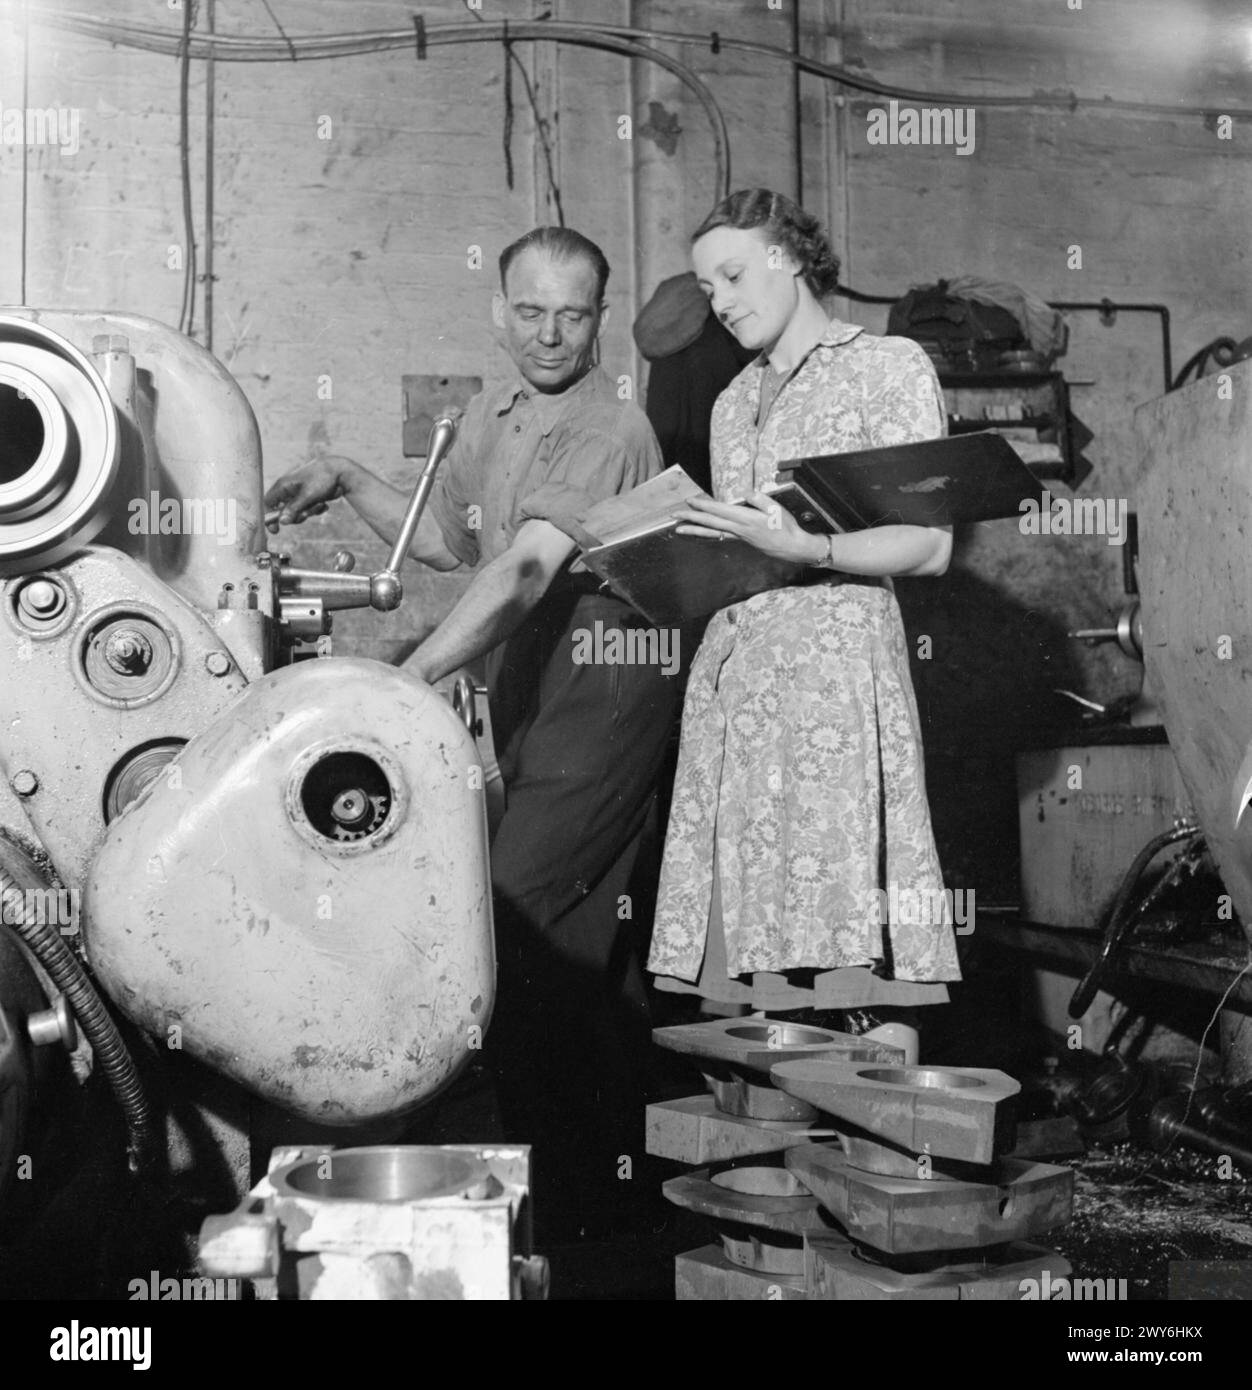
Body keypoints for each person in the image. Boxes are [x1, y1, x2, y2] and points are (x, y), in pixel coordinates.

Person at [264, 226, 678, 1238]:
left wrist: (409, 680)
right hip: (534, 680)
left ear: (600, 319)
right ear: (498, 311)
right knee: (571, 948)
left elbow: (526, 572)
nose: (549, 334)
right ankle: (602, 1193)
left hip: (606, 683)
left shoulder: (610, 426)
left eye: (572, 315)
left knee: (513, 918)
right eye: (529, 311)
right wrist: (348, 475)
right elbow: (453, 544)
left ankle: (585, 1206)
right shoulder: (493, 413)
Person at [647, 189, 962, 1020]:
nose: (721, 302)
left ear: (788, 256)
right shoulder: (729, 404)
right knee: (758, 988)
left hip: (835, 681)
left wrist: (813, 550)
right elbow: (749, 547)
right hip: (741, 687)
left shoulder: (886, 367)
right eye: (708, 288)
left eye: (733, 275)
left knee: (852, 968)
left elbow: (930, 545)